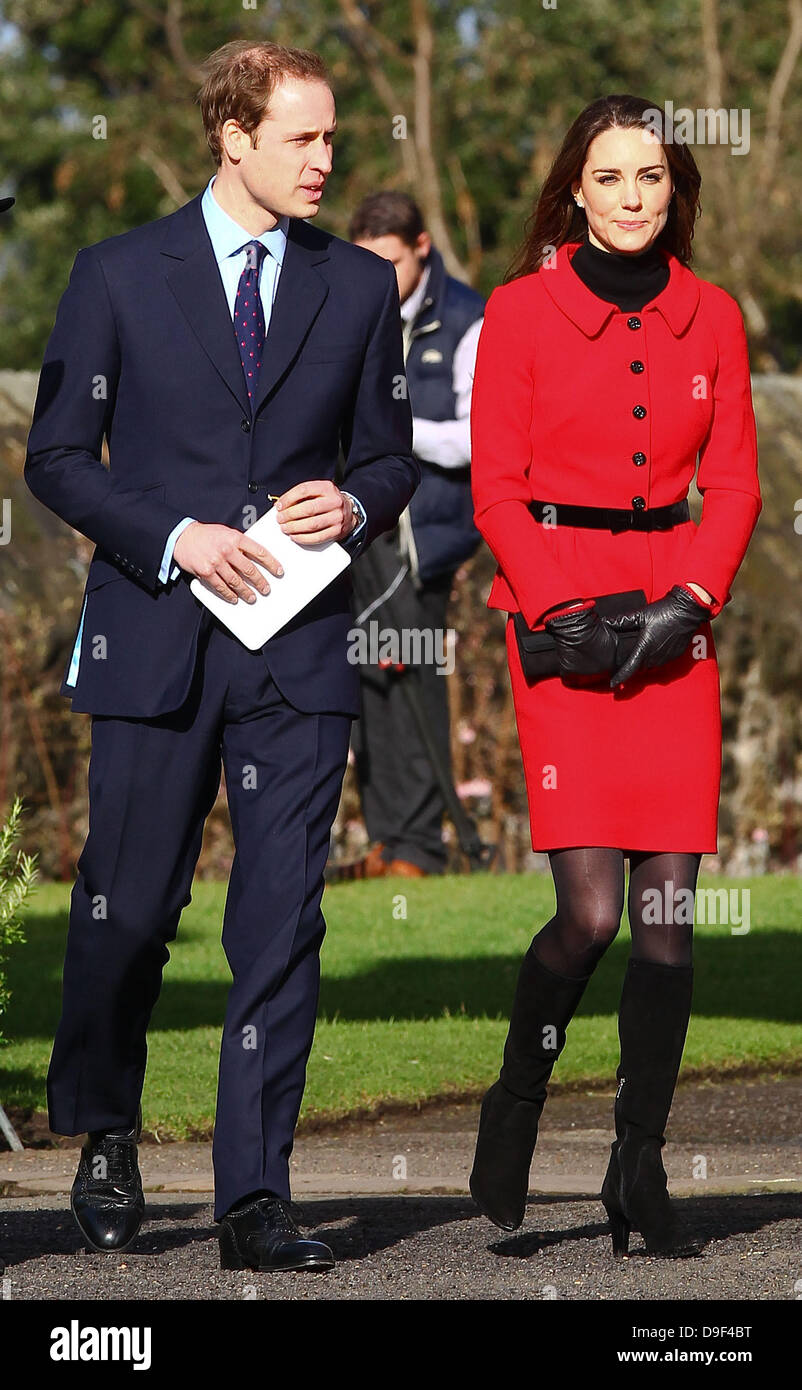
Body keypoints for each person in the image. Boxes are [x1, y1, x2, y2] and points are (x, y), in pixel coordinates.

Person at [24, 39, 418, 1273]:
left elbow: (389, 459)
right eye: (303, 138)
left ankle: (256, 1195)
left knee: (280, 922)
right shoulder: (116, 274)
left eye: (334, 138)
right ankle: (102, 1127)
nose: (327, 161)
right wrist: (175, 536)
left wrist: (351, 509)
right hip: (153, 637)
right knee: (129, 909)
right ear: (232, 137)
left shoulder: (356, 287)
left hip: (295, 655)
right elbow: (56, 459)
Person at [468, 94, 761, 1257]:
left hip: (674, 619)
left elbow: (733, 485)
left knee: (668, 922)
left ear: (670, 187)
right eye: (610, 177)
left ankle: (637, 1162)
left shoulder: (716, 316)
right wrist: (564, 606)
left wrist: (687, 598)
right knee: (587, 918)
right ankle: (516, 1099)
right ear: (574, 190)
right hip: (561, 613)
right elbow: (492, 486)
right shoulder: (518, 312)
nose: (632, 196)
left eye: (650, 176)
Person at [346, 192, 484, 877]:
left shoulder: (468, 319)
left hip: (426, 538)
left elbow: (476, 439)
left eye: (390, 263)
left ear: (422, 248)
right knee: (368, 679)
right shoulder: (351, 310)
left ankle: (423, 848)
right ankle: (387, 836)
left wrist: (389, 436)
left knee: (415, 679)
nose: (378, 277)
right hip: (357, 531)